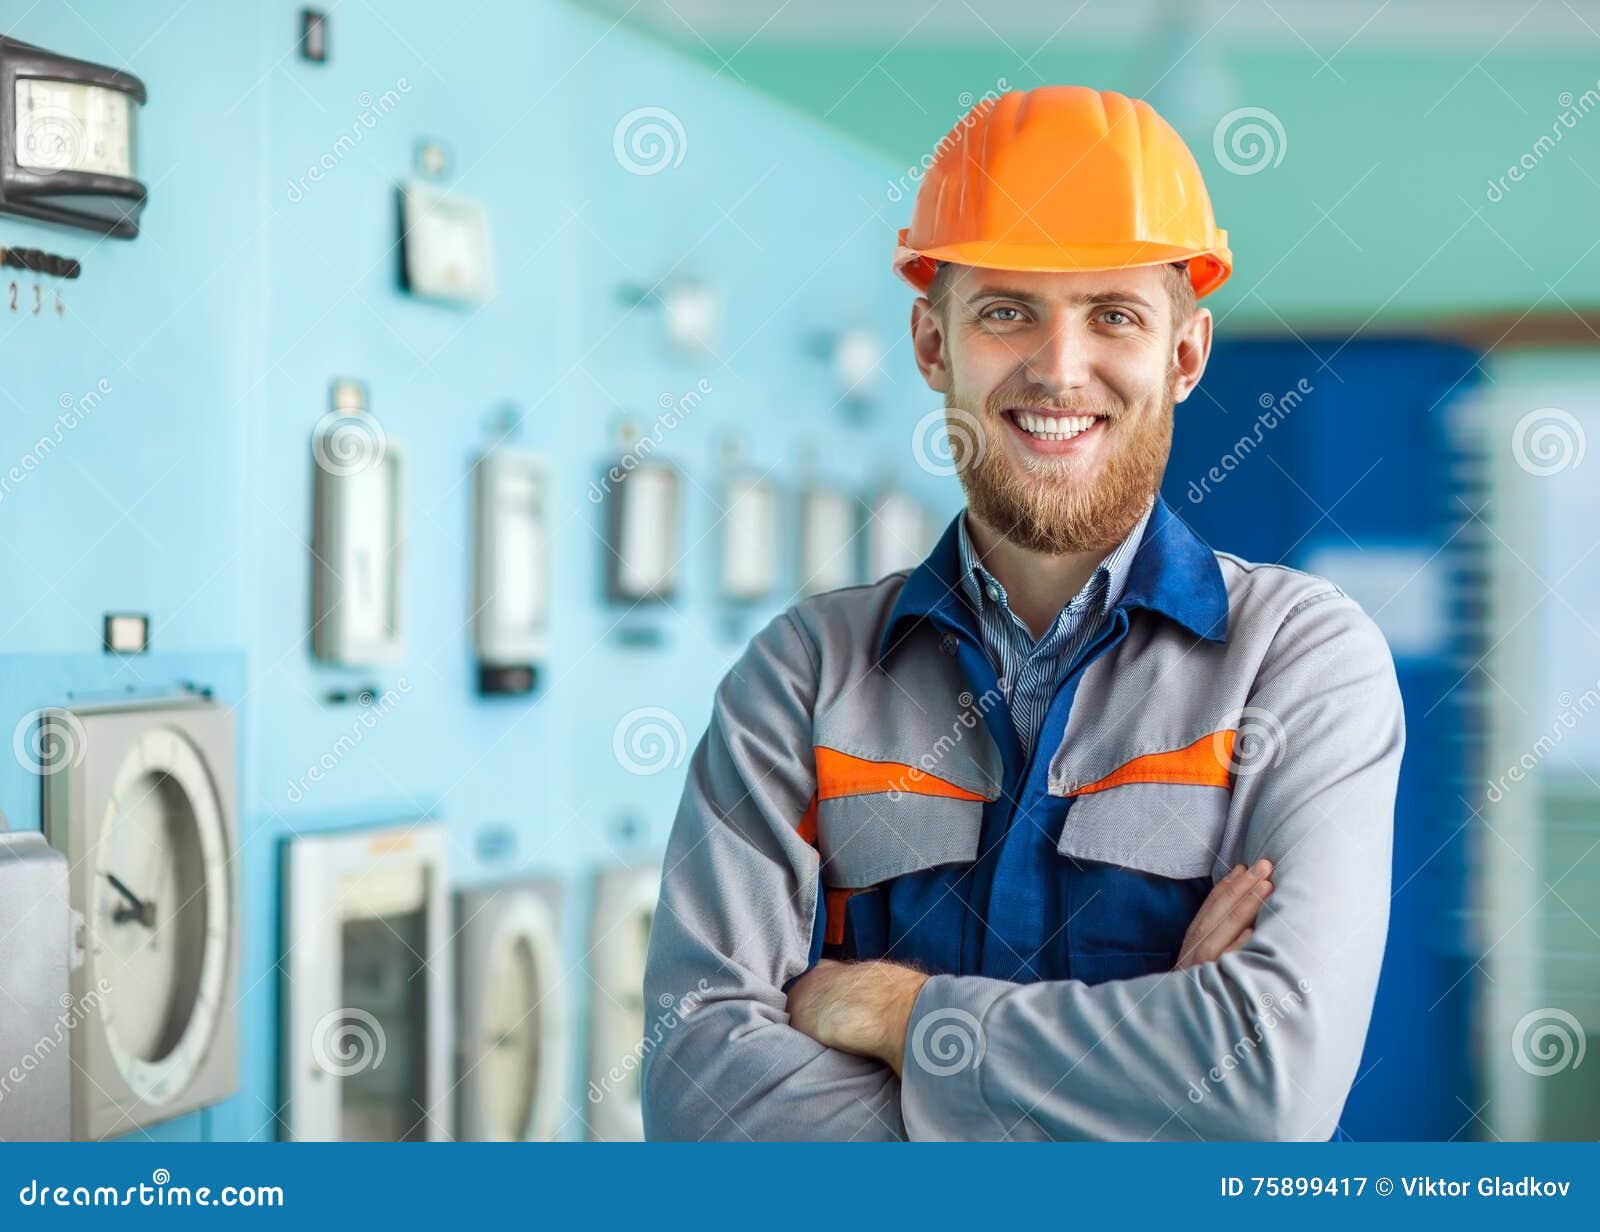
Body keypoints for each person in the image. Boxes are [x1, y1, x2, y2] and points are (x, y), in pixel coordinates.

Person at [640, 85, 1403, 1141]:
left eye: (1114, 316)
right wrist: (1146, 1079)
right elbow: (702, 1098)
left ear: (1184, 355)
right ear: (931, 343)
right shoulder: (804, 677)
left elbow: (1267, 1085)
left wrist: (898, 1014)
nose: (1057, 368)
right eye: (1006, 311)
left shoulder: (1297, 660)